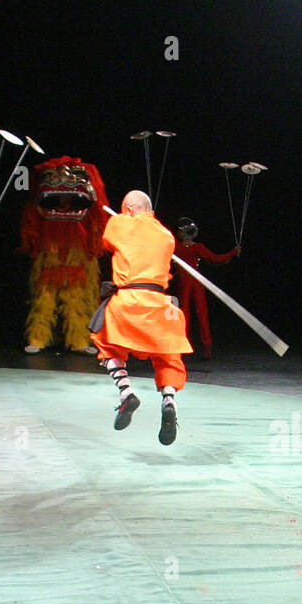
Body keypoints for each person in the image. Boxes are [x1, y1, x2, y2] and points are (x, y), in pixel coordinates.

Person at [92, 190, 190, 445]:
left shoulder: (119, 223)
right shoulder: (167, 235)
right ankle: (169, 399)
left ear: (127, 209)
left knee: (103, 337)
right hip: (161, 305)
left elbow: (105, 244)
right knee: (168, 355)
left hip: (128, 302)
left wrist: (123, 220)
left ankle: (126, 391)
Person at [172, 218, 237, 359]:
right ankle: (207, 346)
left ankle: (183, 347)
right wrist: (233, 252)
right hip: (197, 281)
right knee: (202, 314)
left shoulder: (176, 246)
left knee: (185, 314)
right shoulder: (197, 247)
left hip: (185, 282)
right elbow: (216, 258)